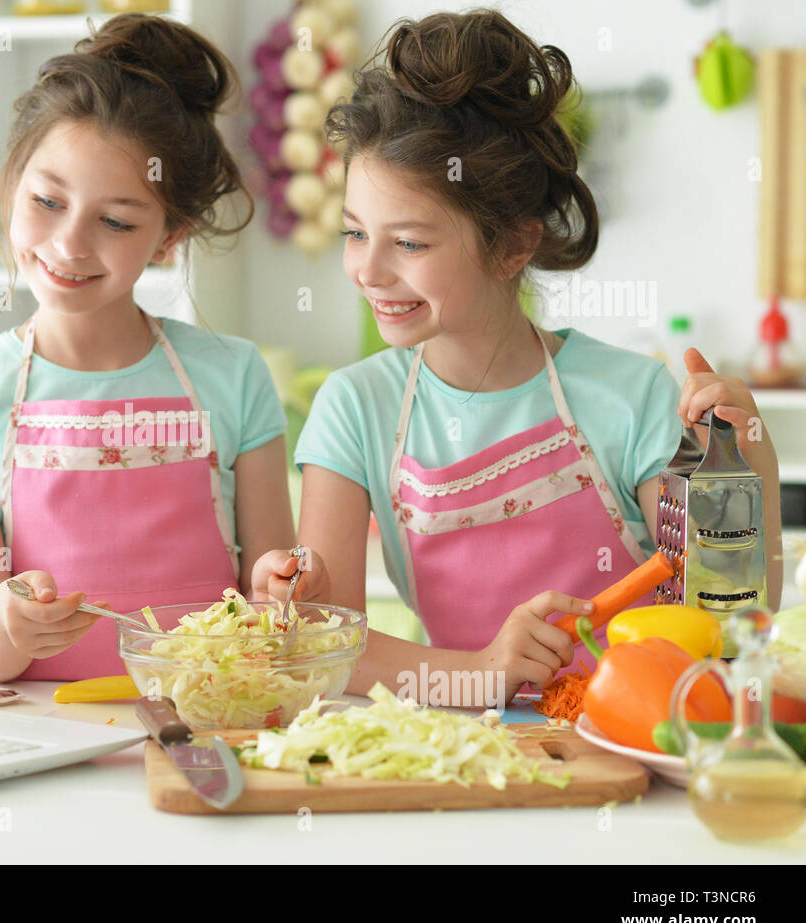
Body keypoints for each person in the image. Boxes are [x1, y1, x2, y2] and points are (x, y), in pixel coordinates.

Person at [251, 9, 783, 704]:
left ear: (513, 245)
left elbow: (728, 623)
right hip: (457, 758)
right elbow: (331, 647)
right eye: (356, 233)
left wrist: (750, 468)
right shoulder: (355, 408)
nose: (368, 270)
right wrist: (483, 670)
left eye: (409, 243)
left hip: (628, 744)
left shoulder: (632, 395)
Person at [0, 14, 292, 683]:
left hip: (203, 721)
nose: (69, 244)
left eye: (116, 220)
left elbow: (274, 595)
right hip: (39, 739)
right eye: (47, 200)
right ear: (10, 186)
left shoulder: (234, 376)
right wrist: (8, 620)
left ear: (171, 237)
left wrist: (279, 593)